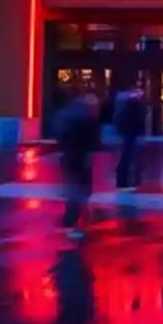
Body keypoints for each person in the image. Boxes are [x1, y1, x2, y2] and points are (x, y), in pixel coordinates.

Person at [55, 93, 102, 239]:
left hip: (70, 158)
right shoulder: (87, 120)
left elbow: (61, 137)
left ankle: (73, 222)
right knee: (78, 191)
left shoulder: (68, 117)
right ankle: (72, 224)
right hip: (79, 159)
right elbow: (92, 142)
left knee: (76, 190)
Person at [113, 87, 146, 190]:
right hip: (131, 134)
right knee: (129, 157)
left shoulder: (126, 106)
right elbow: (137, 121)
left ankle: (125, 182)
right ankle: (126, 182)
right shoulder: (134, 106)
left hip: (129, 134)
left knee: (128, 157)